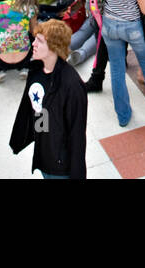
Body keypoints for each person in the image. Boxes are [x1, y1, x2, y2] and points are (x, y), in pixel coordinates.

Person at [9, 19, 88, 179]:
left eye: (40, 41)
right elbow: (36, 111)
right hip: (43, 155)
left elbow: (77, 133)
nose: (34, 44)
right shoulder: (36, 72)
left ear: (54, 47)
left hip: (61, 165)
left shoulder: (72, 85)